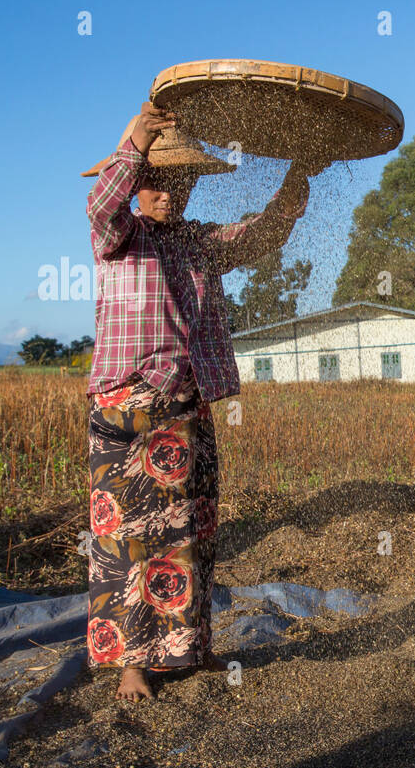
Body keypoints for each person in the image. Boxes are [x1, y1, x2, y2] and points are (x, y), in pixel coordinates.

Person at [81, 102, 321, 702]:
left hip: (187, 407)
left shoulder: (199, 244)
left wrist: (297, 181)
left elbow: (260, 237)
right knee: (126, 536)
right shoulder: (118, 238)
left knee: (190, 531)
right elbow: (99, 205)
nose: (169, 194)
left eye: (181, 183)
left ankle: (191, 649)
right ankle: (133, 663)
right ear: (136, 186)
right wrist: (135, 138)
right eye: (156, 183)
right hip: (127, 407)